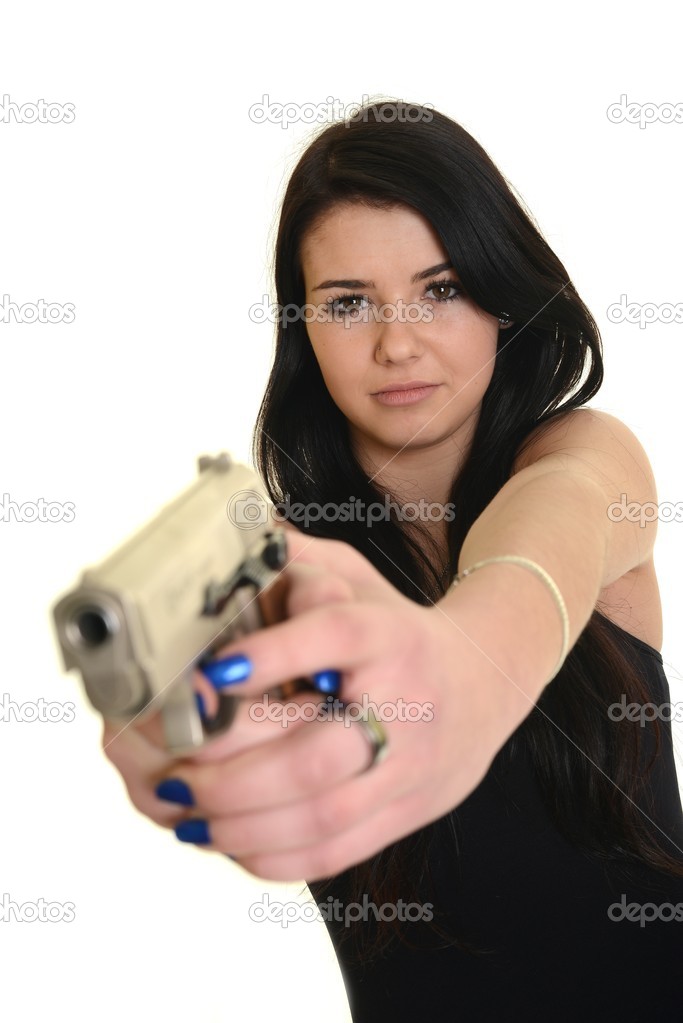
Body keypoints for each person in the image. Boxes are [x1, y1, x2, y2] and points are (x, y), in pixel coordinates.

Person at [103, 101, 683, 1021]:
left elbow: (540, 547)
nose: (396, 342)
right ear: (305, 328)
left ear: (501, 295)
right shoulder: (295, 583)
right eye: (347, 302)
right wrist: (189, 730)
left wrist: (459, 667)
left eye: (440, 288)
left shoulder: (588, 456)